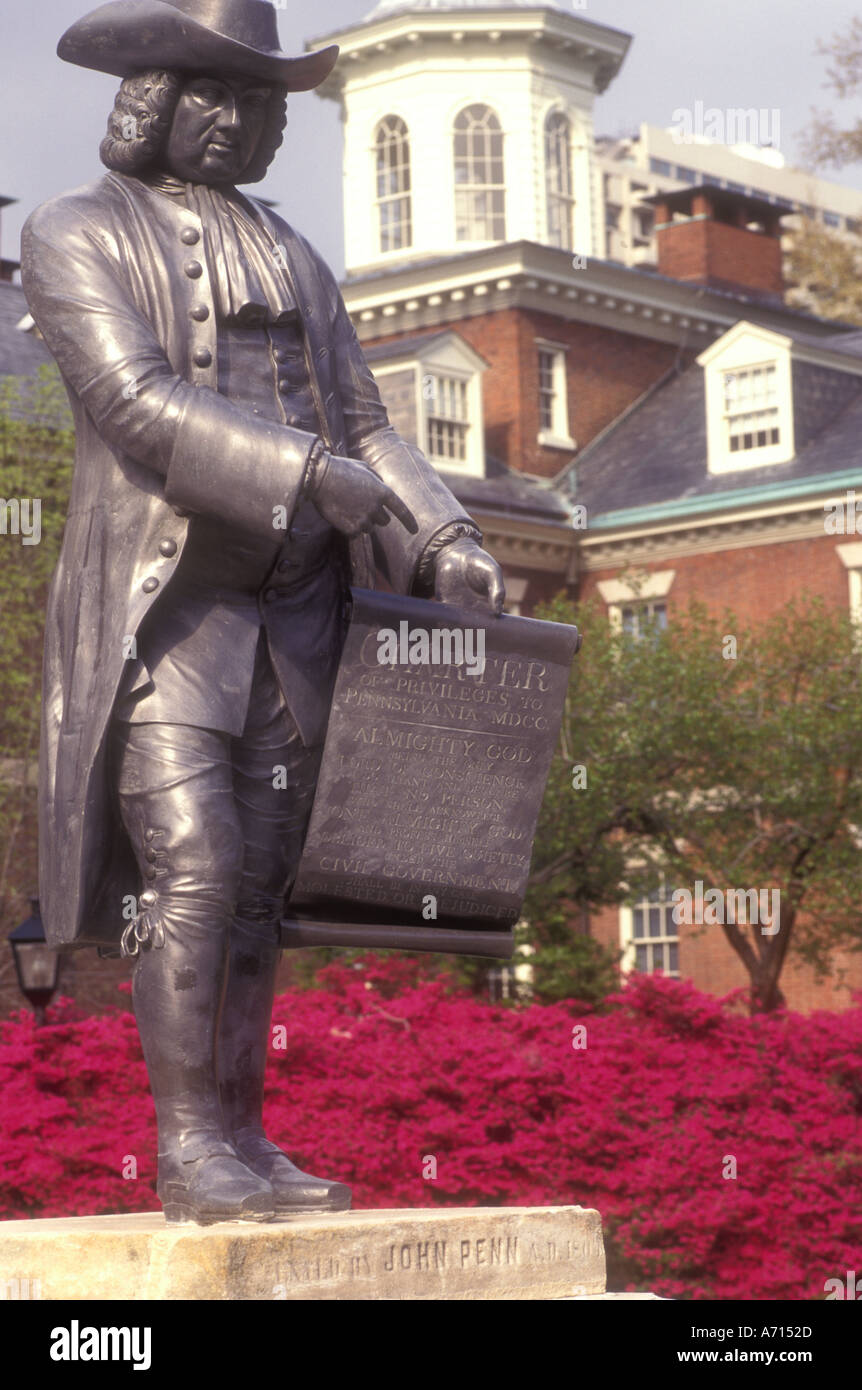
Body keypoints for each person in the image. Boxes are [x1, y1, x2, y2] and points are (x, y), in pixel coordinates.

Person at [22, 0, 504, 1226]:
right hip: (167, 618)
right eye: (214, 96)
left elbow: (368, 424)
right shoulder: (73, 233)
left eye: (259, 101)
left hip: (292, 617)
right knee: (194, 866)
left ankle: (244, 1135)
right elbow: (134, 404)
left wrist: (443, 532)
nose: (239, 120)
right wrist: (304, 477)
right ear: (153, 104)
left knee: (258, 890)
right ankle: (189, 1147)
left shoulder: (295, 257)